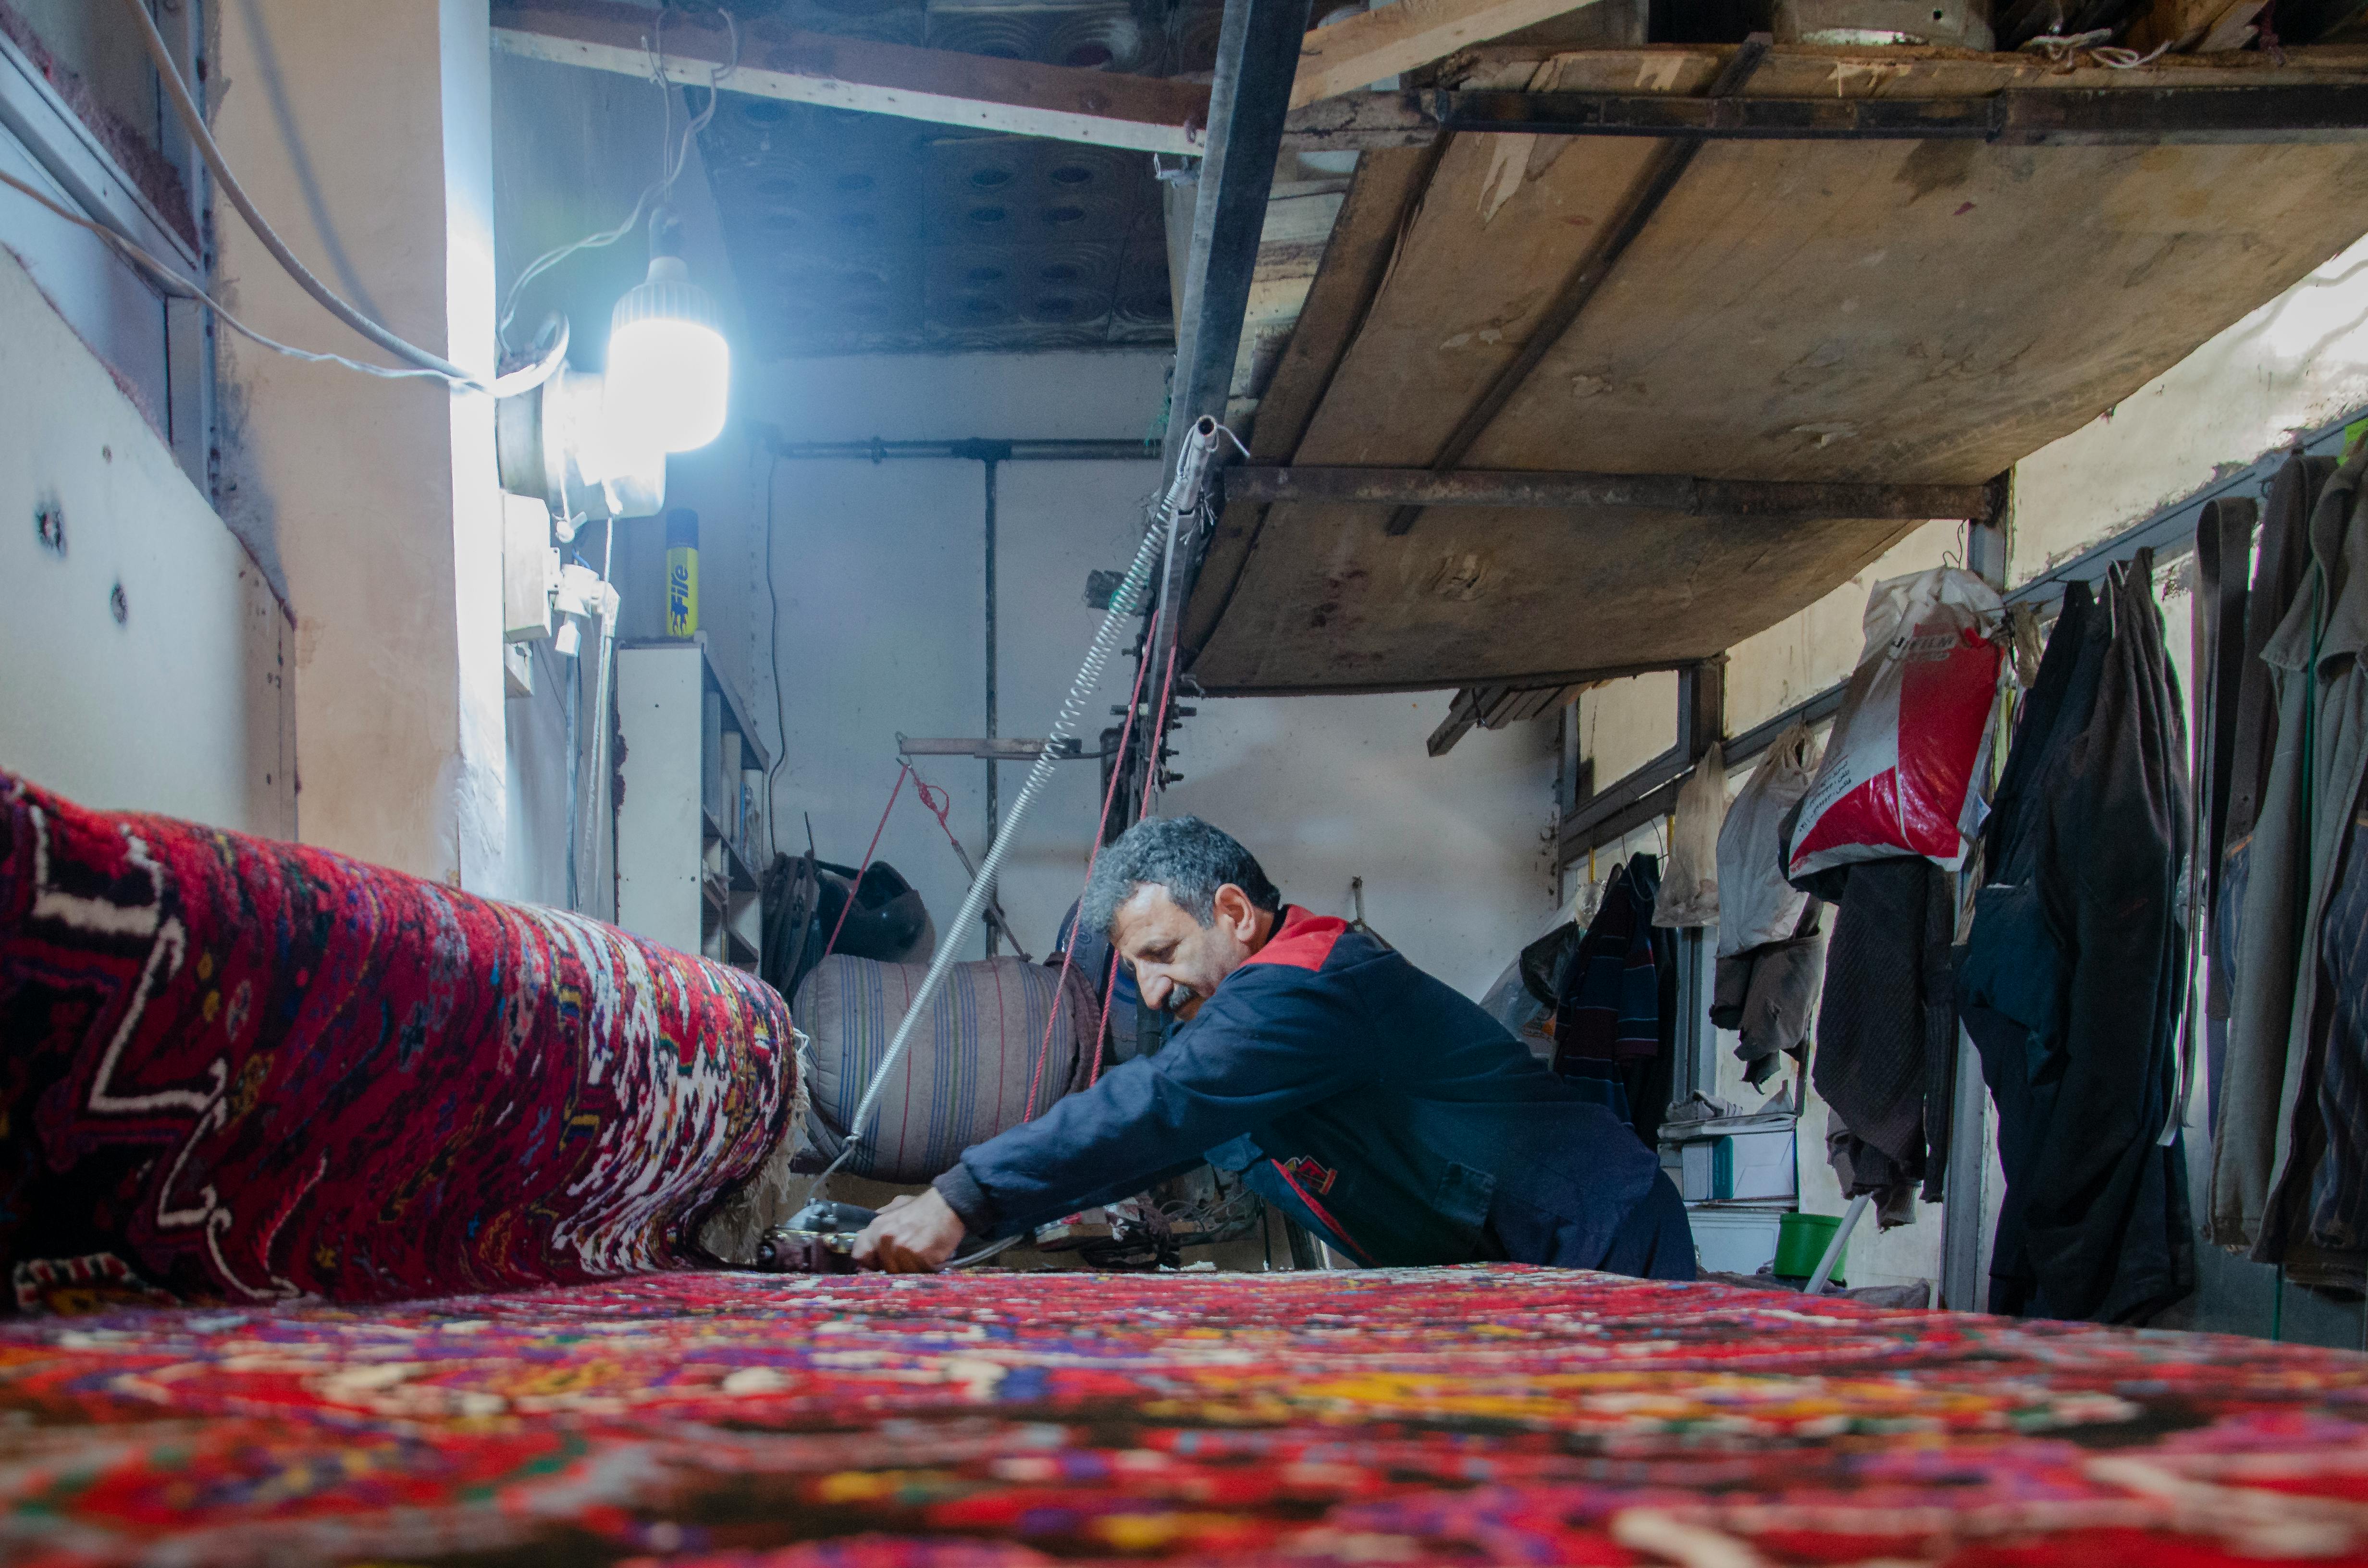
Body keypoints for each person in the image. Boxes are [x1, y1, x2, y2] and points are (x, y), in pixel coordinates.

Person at [852, 816, 1693, 1276]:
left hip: (1596, 1228)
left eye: (1160, 955)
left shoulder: (1311, 982)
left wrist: (965, 1194)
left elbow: (1165, 1100)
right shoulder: (1243, 1020)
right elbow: (1154, 1139)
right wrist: (965, 1217)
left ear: (1233, 913)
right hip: (1516, 1252)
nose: (1149, 989)